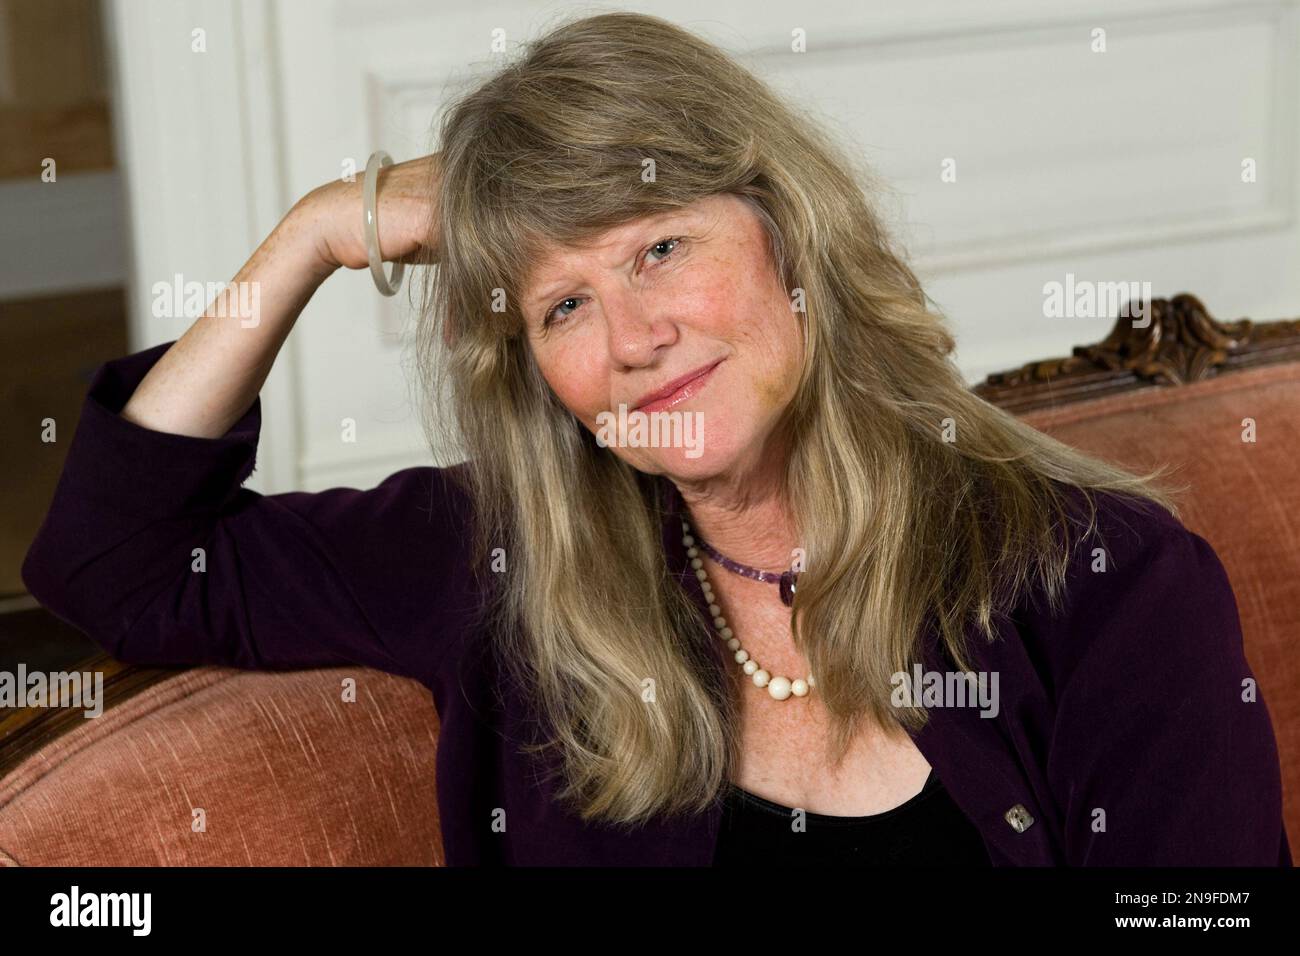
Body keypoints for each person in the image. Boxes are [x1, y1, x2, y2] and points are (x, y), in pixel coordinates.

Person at [21, 11, 1289, 866]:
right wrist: (310, 232)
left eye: (659, 248)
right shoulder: (501, 563)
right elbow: (114, 560)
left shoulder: (1104, 580)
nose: (632, 336)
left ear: (787, 237)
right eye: (564, 303)